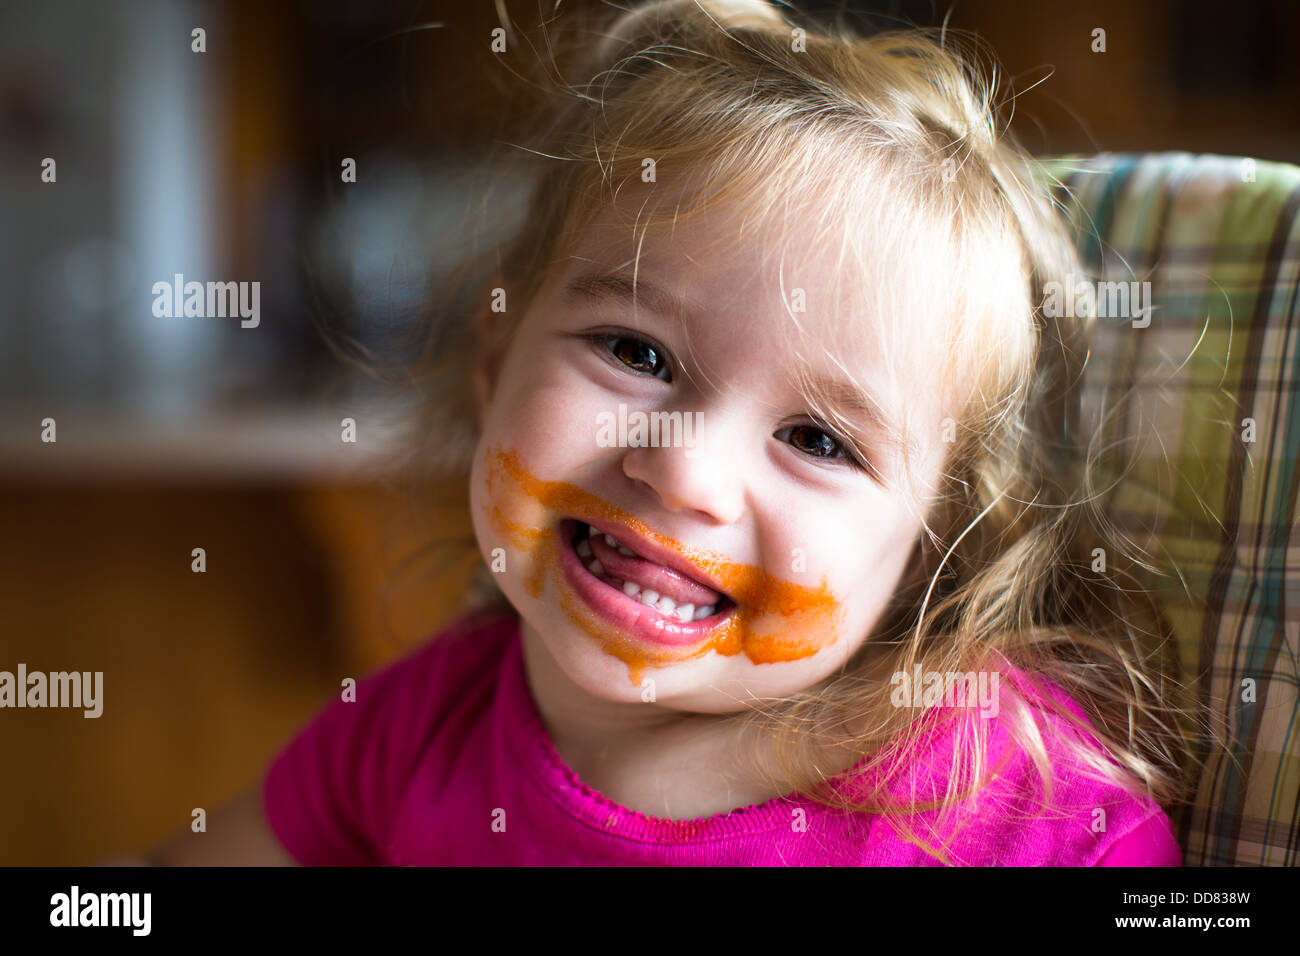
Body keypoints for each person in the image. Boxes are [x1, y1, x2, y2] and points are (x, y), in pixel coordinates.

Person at [145, 0, 1195, 866]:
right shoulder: (420, 725)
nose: (686, 468)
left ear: (932, 535)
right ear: (493, 358)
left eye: (819, 439)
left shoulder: (1027, 816)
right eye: (636, 353)